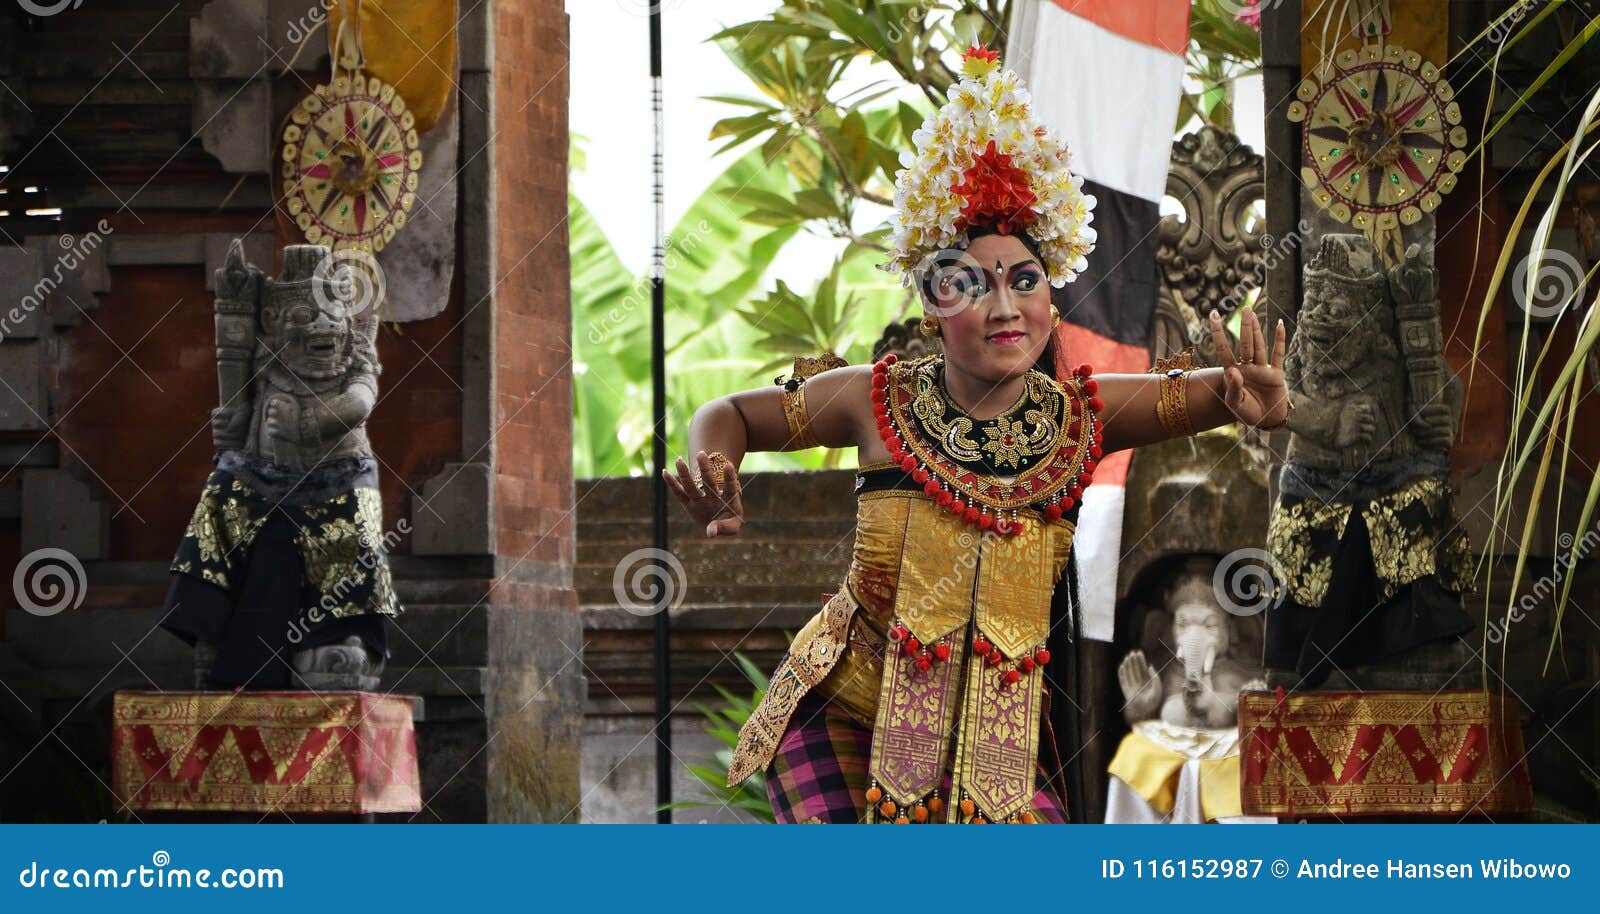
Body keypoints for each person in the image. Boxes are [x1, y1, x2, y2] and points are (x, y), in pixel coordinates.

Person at [663, 46, 1290, 824]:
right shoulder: (875, 398)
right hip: (846, 713)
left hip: (991, 744)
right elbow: (730, 412)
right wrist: (716, 470)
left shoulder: (1080, 416)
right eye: (970, 284)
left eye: (1024, 281)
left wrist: (1243, 397)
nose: (1003, 307)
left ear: (1051, 299)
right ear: (932, 307)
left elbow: (1201, 394)